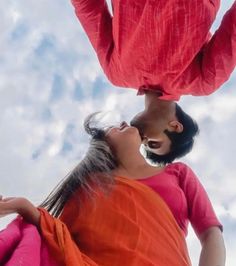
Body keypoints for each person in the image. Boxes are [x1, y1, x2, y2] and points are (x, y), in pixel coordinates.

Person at [0, 114, 225, 265]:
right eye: (114, 129)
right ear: (105, 146)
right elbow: (62, 244)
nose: (123, 123)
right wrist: (23, 207)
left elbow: (211, 233)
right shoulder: (91, 189)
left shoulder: (178, 173)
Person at [70, 0, 236, 159]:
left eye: (144, 145)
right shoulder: (203, 81)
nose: (142, 140)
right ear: (175, 126)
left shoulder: (117, 74)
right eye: (153, 144)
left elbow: (90, 10)